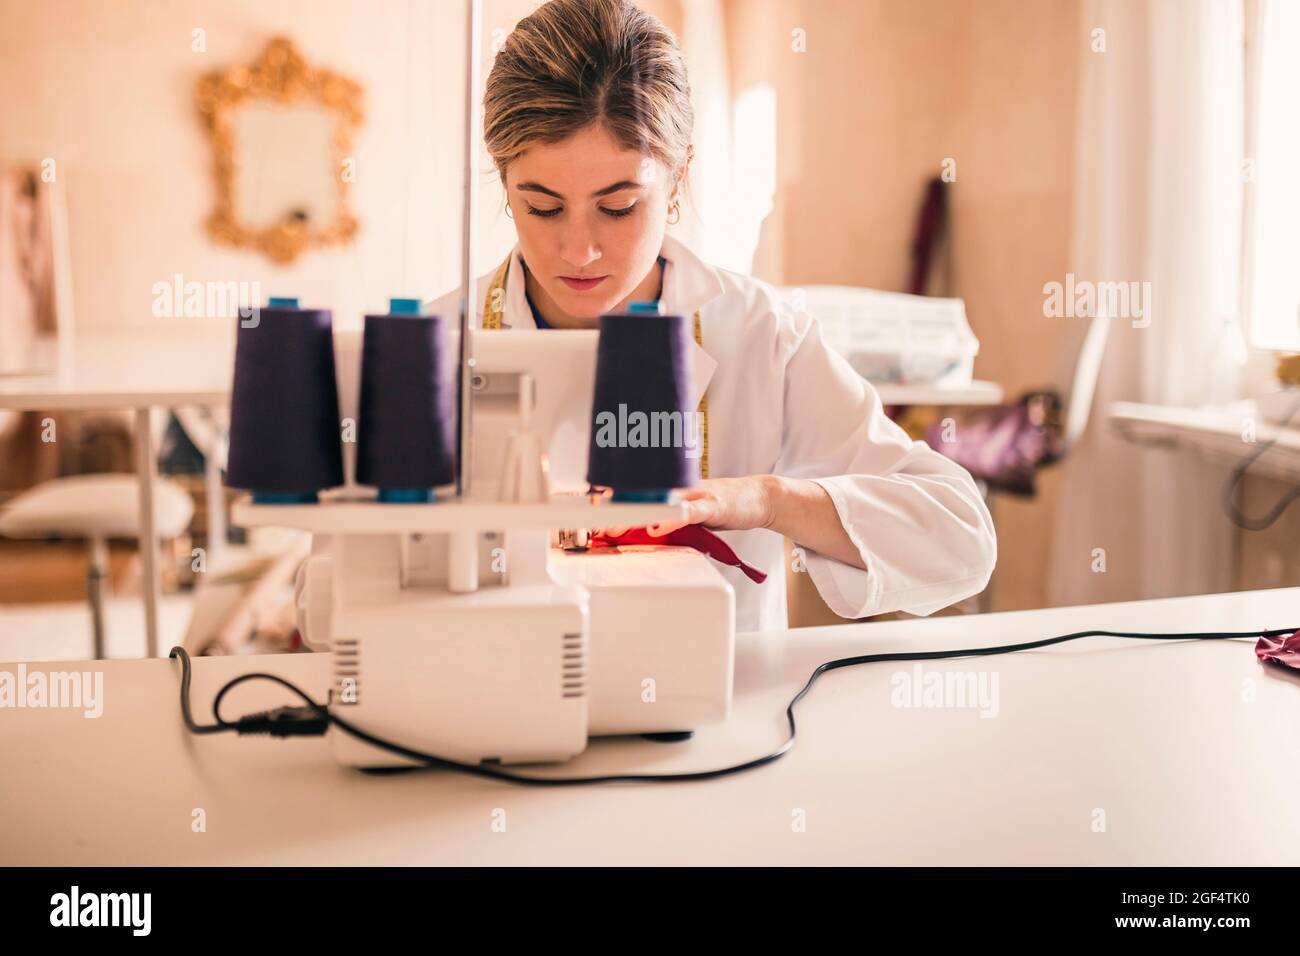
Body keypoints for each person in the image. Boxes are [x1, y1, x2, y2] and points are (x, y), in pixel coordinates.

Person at [428, 0, 995, 632]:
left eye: (617, 208)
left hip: (727, 716)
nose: (579, 250)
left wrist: (766, 500)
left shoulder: (760, 333)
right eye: (542, 207)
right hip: (491, 708)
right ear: (505, 186)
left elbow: (961, 537)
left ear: (677, 182)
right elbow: (329, 594)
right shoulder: (434, 346)